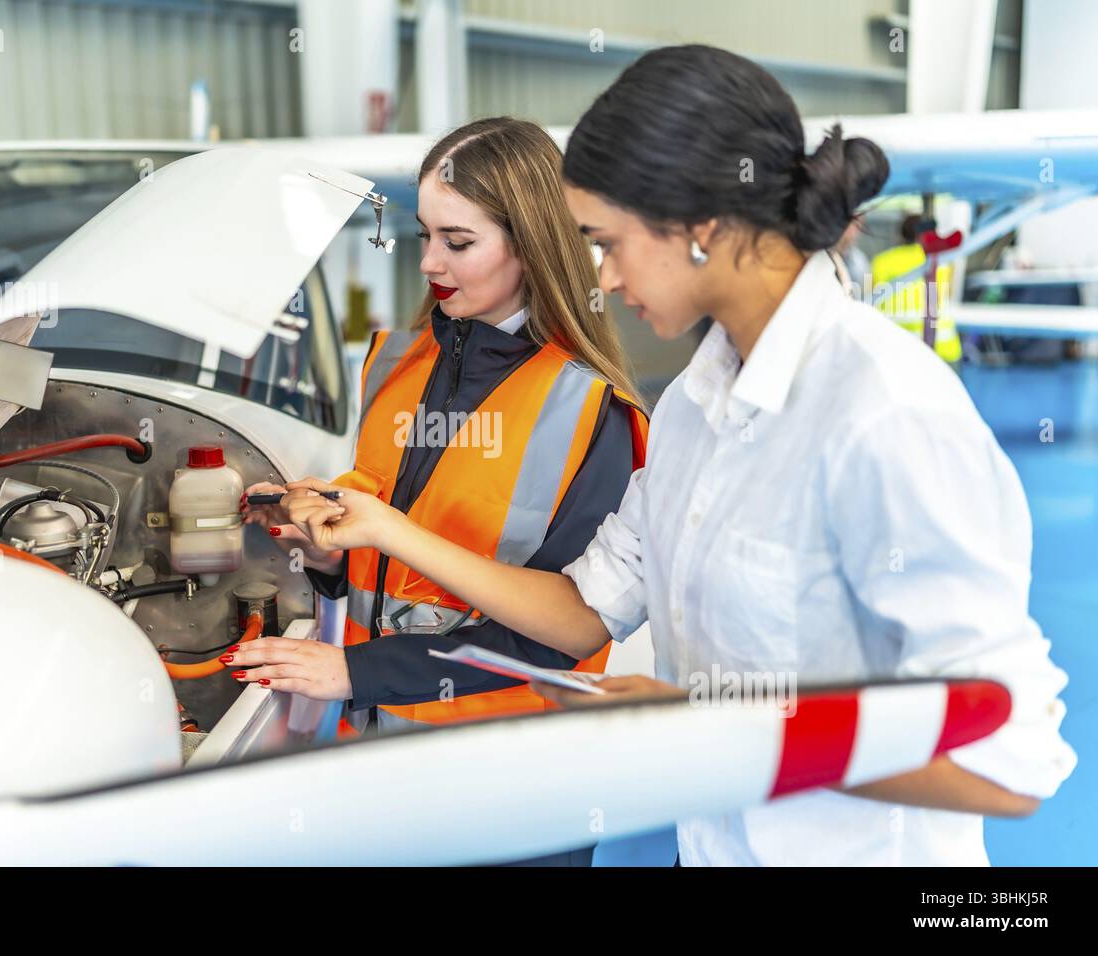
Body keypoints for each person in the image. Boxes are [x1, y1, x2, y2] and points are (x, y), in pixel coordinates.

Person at [252, 46, 1077, 866]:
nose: (601, 279)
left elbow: (1003, 762)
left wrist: (715, 732)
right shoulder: (692, 410)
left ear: (700, 228)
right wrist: (387, 532)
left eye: (608, 243)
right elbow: (582, 610)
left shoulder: (886, 413)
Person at [239, 118, 649, 744]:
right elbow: (402, 577)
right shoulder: (395, 367)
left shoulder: (593, 411)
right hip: (377, 744)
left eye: (458, 242)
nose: (429, 261)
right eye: (425, 235)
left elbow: (564, 633)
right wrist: (329, 555)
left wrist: (358, 669)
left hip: (509, 773)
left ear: (531, 245)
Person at [871, 213, 963, 361]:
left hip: (900, 351)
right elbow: (949, 292)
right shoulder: (943, 261)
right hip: (945, 349)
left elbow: (873, 302)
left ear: (901, 234)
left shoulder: (882, 262)